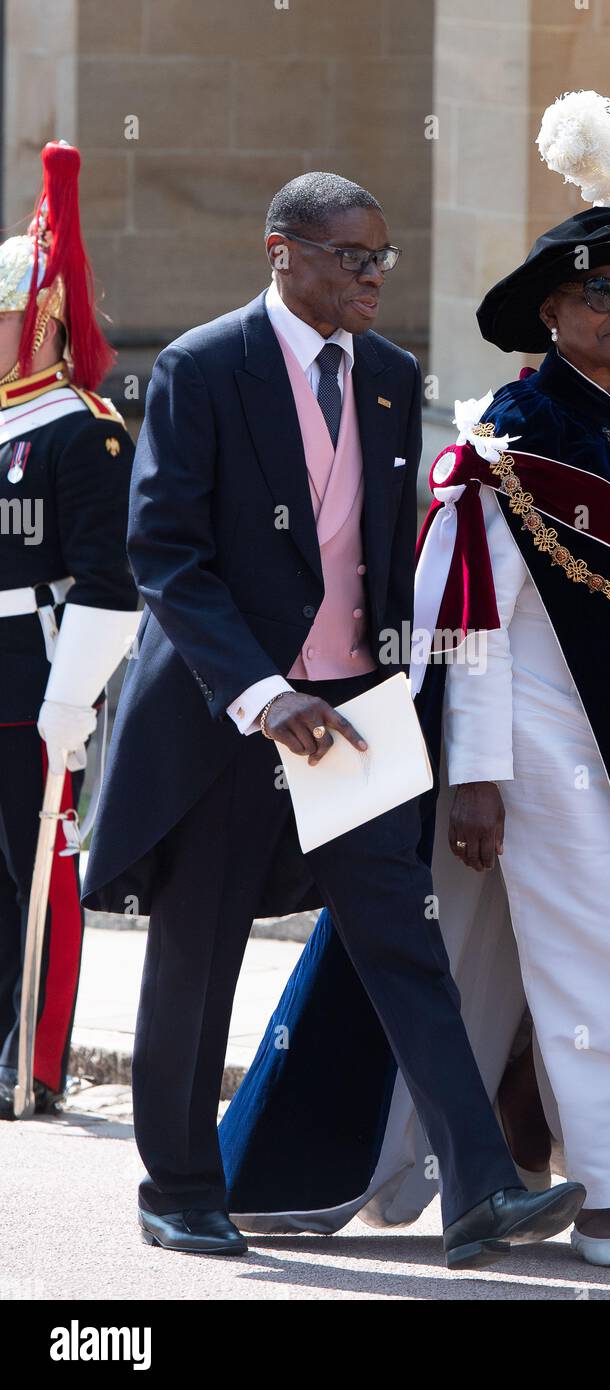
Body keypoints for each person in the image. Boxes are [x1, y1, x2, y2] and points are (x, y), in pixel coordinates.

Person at [217, 95, 610, 1268]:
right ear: (549, 311)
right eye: (598, 292)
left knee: (574, 954)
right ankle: (609, 1192)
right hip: (546, 741)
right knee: (597, 948)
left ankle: (510, 1158)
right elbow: (469, 627)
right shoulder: (509, 438)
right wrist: (477, 778)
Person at [81, 171, 584, 1265]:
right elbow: (165, 551)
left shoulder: (396, 379)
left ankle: (482, 1191)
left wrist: (409, 704)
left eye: (380, 259)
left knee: (405, 949)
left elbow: (383, 559)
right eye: (350, 258)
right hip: (229, 722)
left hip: (359, 723)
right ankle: (177, 1189)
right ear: (281, 251)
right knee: (196, 956)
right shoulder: (201, 367)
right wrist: (265, 694)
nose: (370, 278)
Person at [0, 141, 138, 1120]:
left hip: (32, 681)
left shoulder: (83, 430)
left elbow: (111, 583)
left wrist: (69, 699)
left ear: (41, 319)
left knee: (36, 877)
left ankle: (31, 1060)